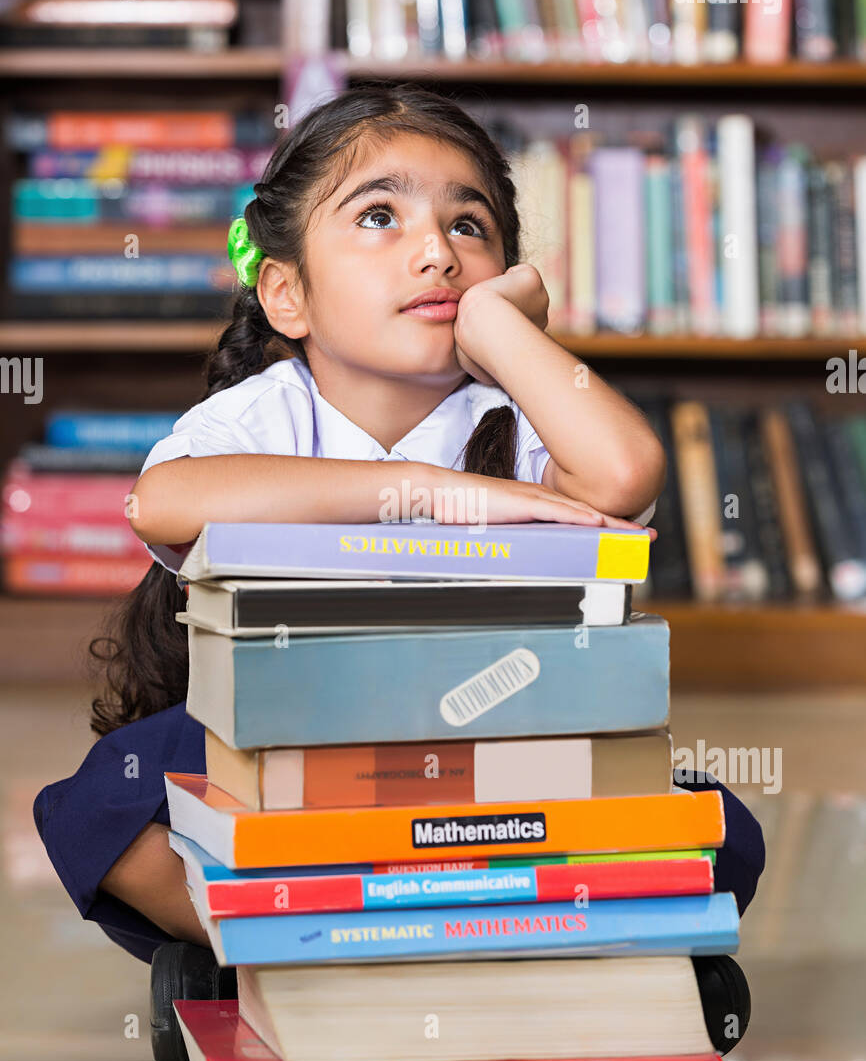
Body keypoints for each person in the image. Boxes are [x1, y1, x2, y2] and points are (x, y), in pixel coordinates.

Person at [33, 83, 764, 971]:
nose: (436, 253)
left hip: (500, 755)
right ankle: (309, 933)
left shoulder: (523, 418)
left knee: (723, 830)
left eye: (469, 227)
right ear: (288, 295)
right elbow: (165, 502)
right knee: (108, 799)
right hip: (288, 754)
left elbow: (623, 473)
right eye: (379, 216)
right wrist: (414, 488)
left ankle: (434, 932)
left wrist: (502, 336)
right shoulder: (263, 416)